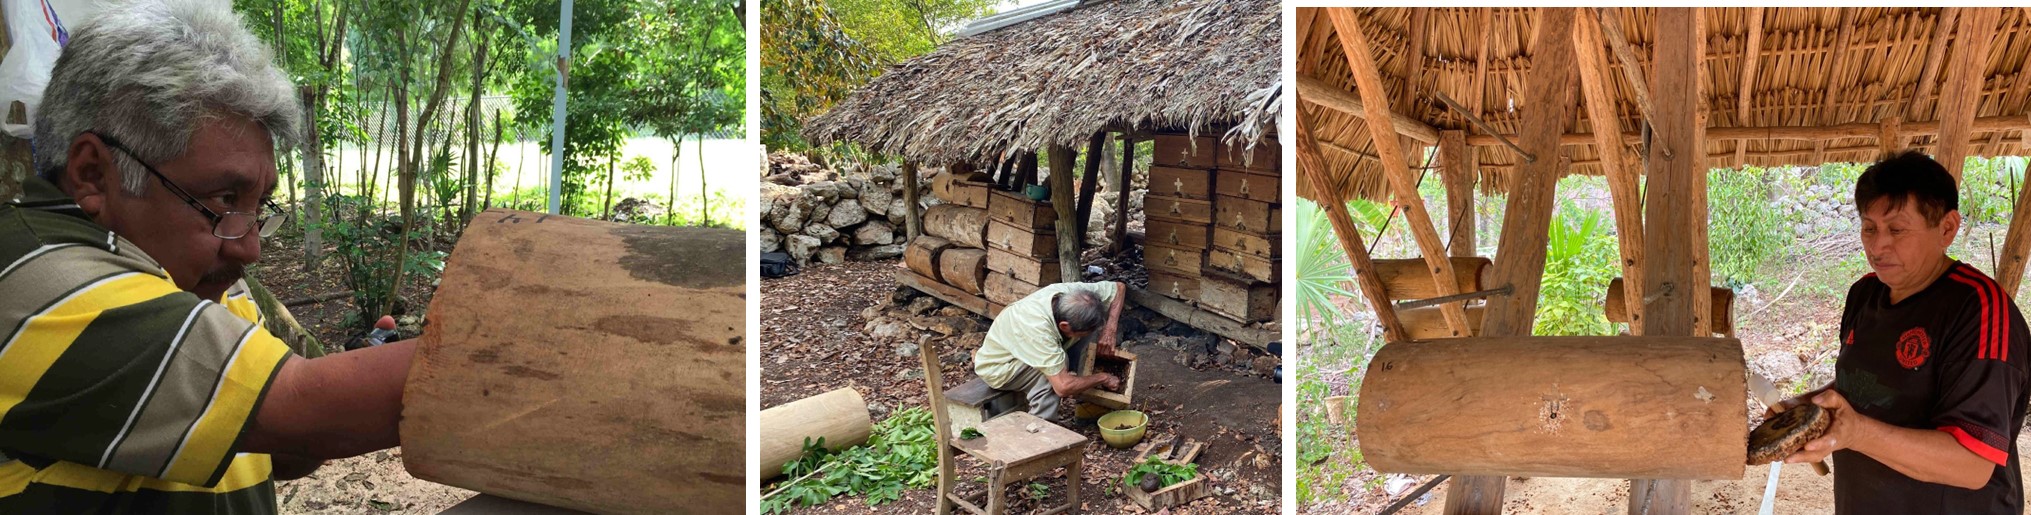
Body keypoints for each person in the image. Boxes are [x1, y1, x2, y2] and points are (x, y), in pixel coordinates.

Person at [1, 1, 410, 512]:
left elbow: (283, 444)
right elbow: (301, 407)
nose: (251, 247)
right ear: (92, 173)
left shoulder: (206, 284)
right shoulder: (37, 280)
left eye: (258, 207)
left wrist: (331, 408)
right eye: (222, 200)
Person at [1778, 151, 2029, 513]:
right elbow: (1869, 387)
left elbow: (1973, 463)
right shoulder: (1865, 294)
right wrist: (1805, 409)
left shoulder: (1979, 309)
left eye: (1896, 229)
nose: (1877, 246)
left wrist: (1857, 432)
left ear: (1947, 228)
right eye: (1869, 228)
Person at [973, 281, 1127, 418]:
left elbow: (1118, 288)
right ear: (1064, 326)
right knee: (1052, 377)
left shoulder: (1077, 295)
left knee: (1087, 332)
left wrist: (1110, 329)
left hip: (1023, 346)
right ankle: (1040, 429)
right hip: (1000, 367)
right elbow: (1063, 387)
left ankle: (1077, 379)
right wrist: (1103, 378)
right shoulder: (1038, 331)